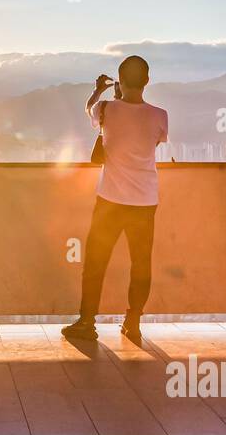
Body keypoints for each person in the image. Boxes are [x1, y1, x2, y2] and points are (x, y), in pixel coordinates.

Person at [62, 56, 168, 341]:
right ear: (147, 80)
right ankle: (132, 321)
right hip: (145, 201)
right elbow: (153, 141)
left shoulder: (105, 108)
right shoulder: (160, 116)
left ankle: (86, 322)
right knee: (141, 264)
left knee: (96, 262)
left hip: (110, 200)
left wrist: (99, 90)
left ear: (119, 80)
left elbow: (89, 110)